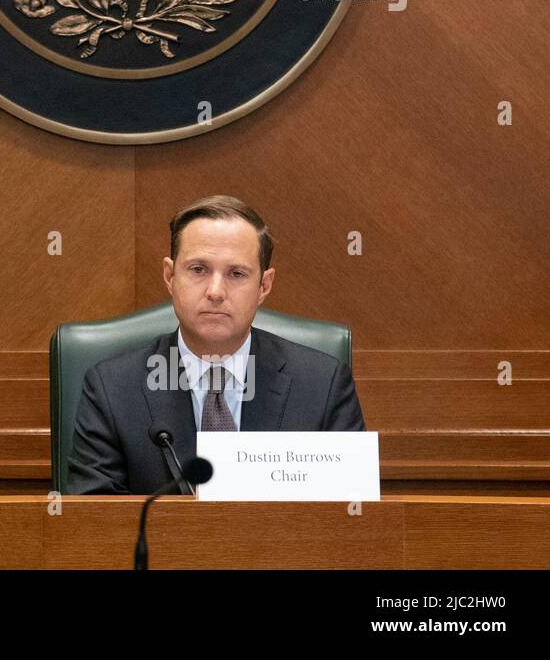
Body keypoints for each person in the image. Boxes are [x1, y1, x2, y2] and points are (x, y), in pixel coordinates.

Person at [67, 195, 364, 495]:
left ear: (264, 286)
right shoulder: (112, 389)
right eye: (198, 269)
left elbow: (351, 521)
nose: (215, 291)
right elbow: (93, 524)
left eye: (236, 274)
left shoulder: (322, 385)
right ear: (170, 276)